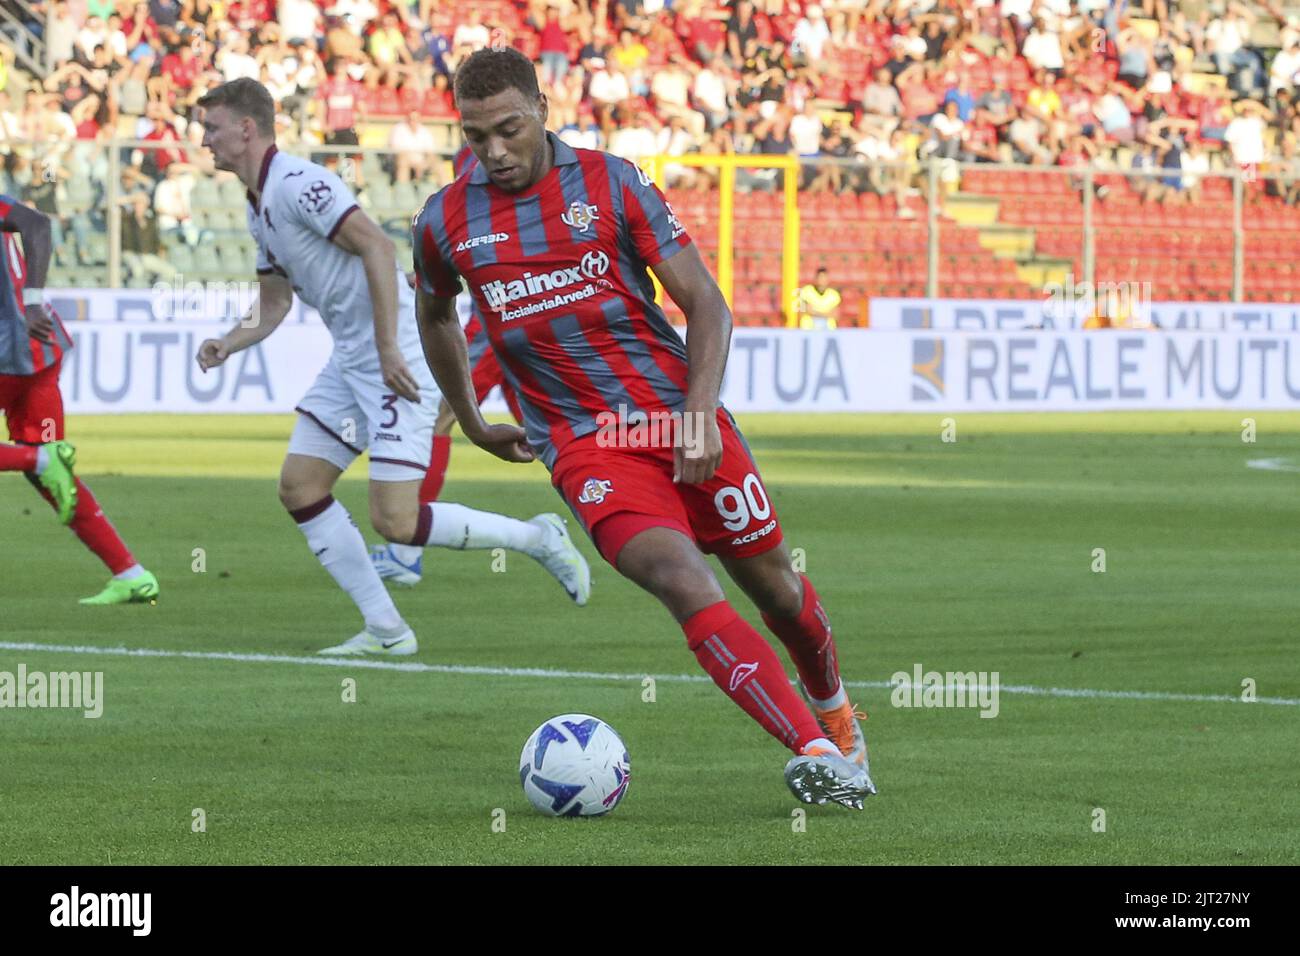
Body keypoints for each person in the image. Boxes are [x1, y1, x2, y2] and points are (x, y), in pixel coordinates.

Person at [412, 48, 875, 809]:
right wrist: (469, 417)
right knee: (678, 577)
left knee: (779, 592)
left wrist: (698, 414)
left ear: (542, 110)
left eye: (508, 129)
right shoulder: (445, 220)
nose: (493, 151)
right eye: (475, 137)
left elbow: (706, 303)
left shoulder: (612, 182)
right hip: (583, 443)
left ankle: (835, 710)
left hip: (675, 417)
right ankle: (818, 753)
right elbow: (434, 314)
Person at [193, 78, 591, 657]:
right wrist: (230, 341)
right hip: (354, 356)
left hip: (394, 350)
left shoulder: (299, 183)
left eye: (212, 128)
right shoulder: (259, 206)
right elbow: (275, 301)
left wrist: (387, 348)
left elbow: (377, 248)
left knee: (395, 522)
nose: (205, 140)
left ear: (246, 128)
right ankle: (386, 630)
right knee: (300, 486)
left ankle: (537, 538)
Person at [0, 197, 160, 604]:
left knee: (41, 461)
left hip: (14, 349)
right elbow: (34, 223)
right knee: (51, 475)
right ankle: (130, 573)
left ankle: (39, 457)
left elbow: (35, 224)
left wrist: (32, 298)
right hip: (39, 349)